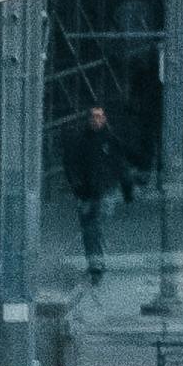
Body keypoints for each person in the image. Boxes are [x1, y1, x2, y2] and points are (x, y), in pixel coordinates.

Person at [60, 105, 116, 282]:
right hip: (85, 192)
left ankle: (97, 263)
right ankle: (95, 262)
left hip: (104, 192)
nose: (96, 120)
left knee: (96, 227)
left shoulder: (110, 140)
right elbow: (71, 164)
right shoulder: (80, 141)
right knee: (88, 229)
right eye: (93, 117)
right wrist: (77, 186)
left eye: (100, 116)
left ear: (105, 118)